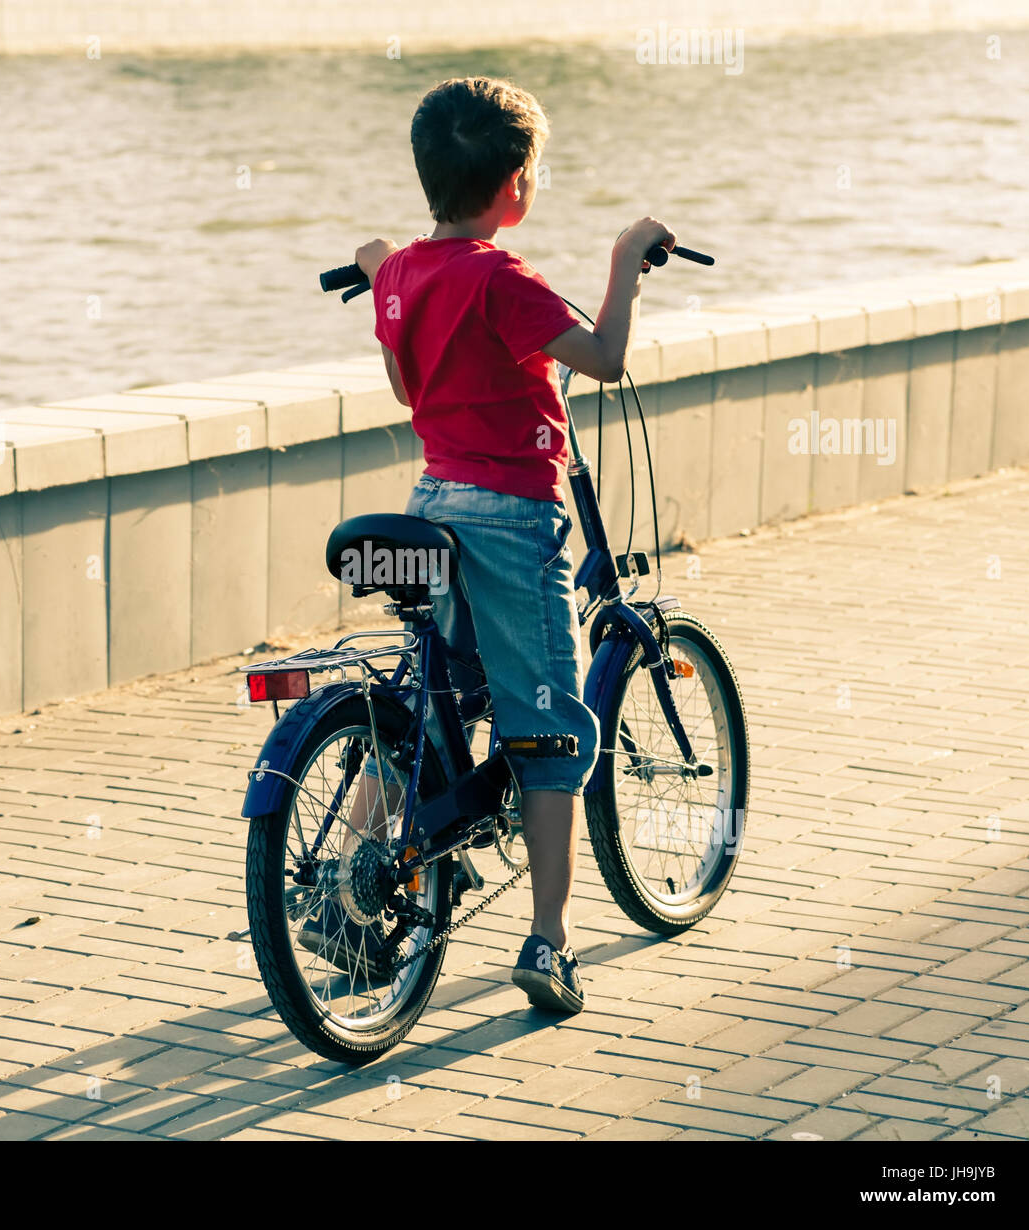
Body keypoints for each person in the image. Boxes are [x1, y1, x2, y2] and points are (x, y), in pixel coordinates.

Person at [350, 76, 674, 1014]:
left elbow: (410, 390)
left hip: (431, 502)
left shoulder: (407, 276)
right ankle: (549, 940)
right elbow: (605, 358)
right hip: (509, 516)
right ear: (518, 184)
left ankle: (351, 887)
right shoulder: (504, 280)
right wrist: (624, 260)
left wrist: (382, 275)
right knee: (547, 728)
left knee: (429, 698)